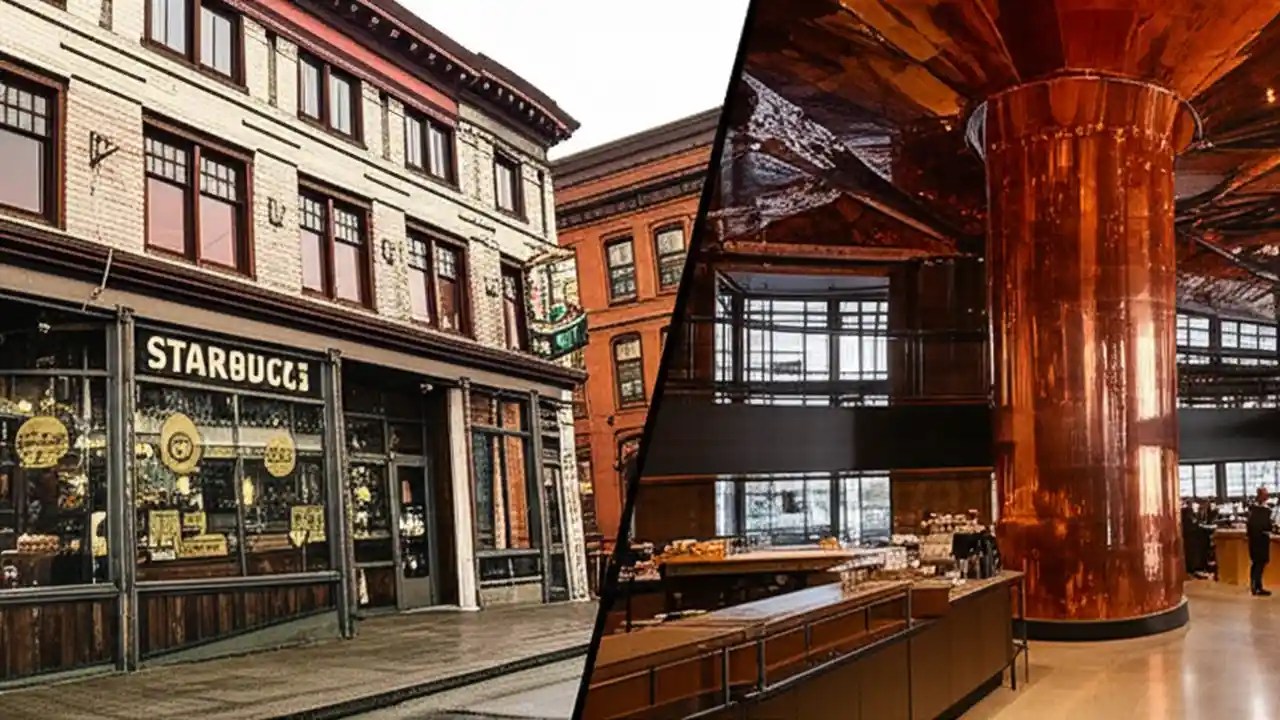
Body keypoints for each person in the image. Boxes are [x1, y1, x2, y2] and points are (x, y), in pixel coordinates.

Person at [1247, 487, 1274, 596]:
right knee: (1259, 563)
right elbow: (1264, 525)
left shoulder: (1254, 509)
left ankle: (1256, 586)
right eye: (1265, 494)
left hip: (1256, 540)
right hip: (1260, 540)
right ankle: (1256, 586)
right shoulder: (1262, 510)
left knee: (1257, 563)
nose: (1267, 496)